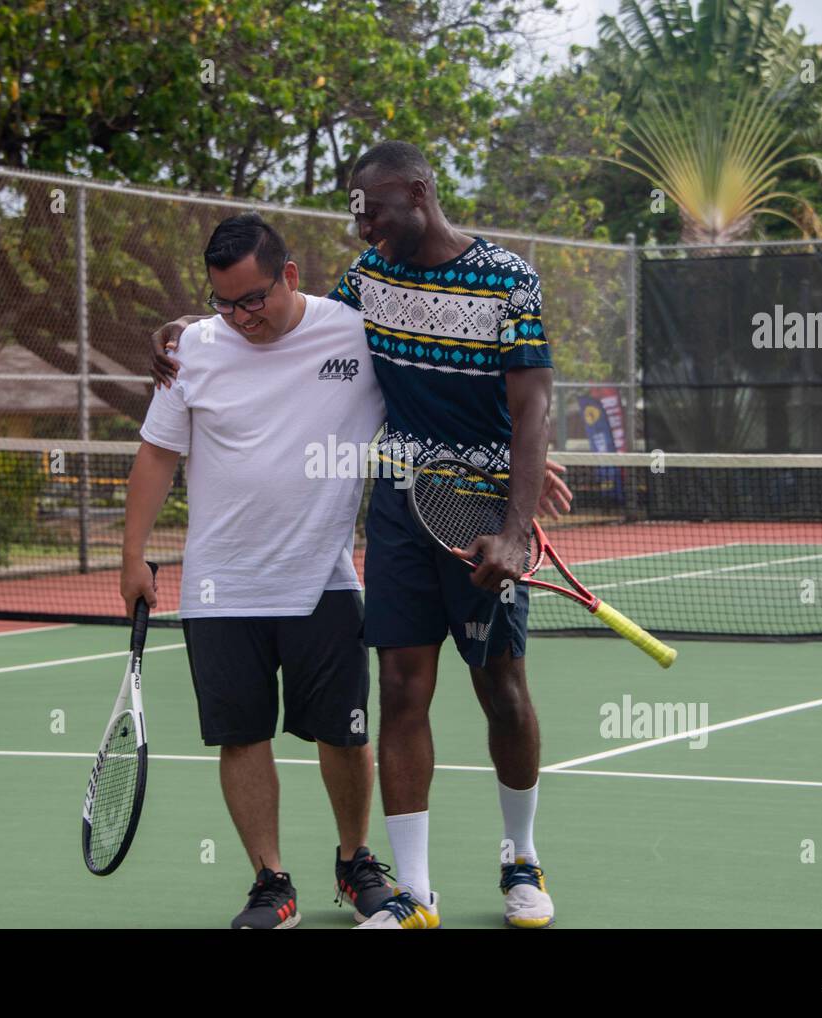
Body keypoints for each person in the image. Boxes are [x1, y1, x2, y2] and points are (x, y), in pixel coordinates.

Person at [151, 141, 569, 929]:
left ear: (418, 192)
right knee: (403, 691)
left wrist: (516, 525)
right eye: (357, 215)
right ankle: (412, 885)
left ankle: (521, 854)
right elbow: (278, 314)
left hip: (483, 514)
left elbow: (533, 407)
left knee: (502, 692)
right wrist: (188, 327)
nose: (364, 228)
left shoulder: (508, 278)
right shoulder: (369, 279)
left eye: (374, 211)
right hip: (403, 513)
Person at [121, 212, 394, 928]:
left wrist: (516, 451)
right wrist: (131, 557)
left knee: (344, 733)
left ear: (290, 277)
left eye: (253, 299)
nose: (240, 317)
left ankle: (355, 860)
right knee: (242, 736)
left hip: (324, 580)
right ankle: (271, 883)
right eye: (223, 301)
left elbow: (433, 389)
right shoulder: (194, 351)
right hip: (219, 587)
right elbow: (156, 454)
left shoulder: (353, 334)